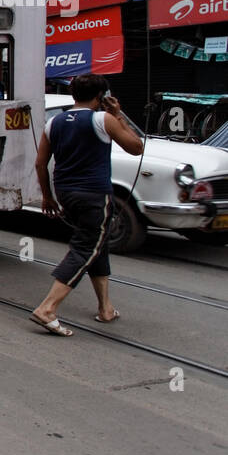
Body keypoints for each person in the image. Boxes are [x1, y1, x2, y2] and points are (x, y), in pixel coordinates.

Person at [29, 75, 145, 336]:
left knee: (97, 244)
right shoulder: (103, 120)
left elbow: (40, 163)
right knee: (85, 248)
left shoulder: (54, 122)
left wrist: (47, 197)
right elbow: (136, 147)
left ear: (73, 95)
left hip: (66, 194)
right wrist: (119, 115)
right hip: (94, 195)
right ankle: (47, 308)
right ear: (101, 96)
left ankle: (105, 308)